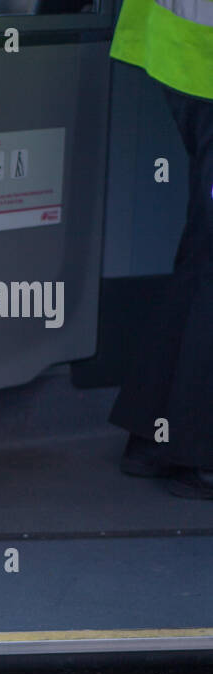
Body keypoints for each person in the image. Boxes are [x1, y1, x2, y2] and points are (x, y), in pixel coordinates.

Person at [109, 0, 213, 498]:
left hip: (184, 51)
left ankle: (155, 438)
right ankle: (193, 451)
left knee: (205, 251)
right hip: (202, 59)